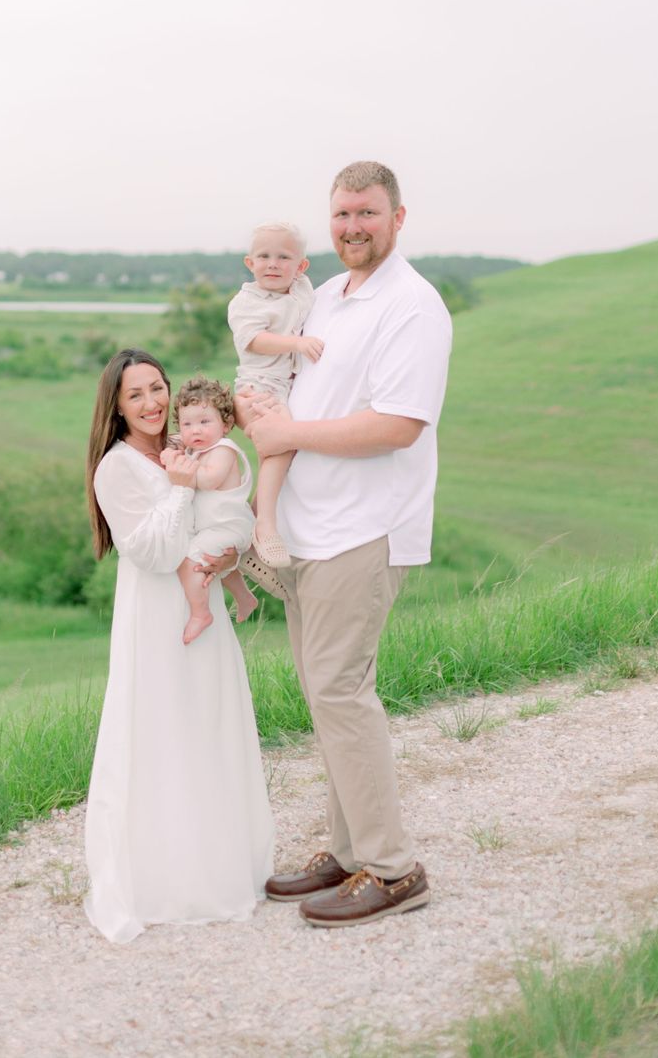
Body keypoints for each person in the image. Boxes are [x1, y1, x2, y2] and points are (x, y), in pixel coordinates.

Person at [245, 161, 452, 928]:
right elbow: (295, 391)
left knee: (340, 691)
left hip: (367, 528)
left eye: (366, 213)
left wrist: (289, 431)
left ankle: (393, 870)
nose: (351, 227)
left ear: (398, 217)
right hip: (308, 526)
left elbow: (398, 425)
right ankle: (349, 848)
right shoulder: (327, 296)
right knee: (323, 694)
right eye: (340, 215)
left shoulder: (414, 308)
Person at [83, 349, 274, 944]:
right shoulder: (116, 469)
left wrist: (227, 551)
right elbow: (157, 553)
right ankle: (168, 878)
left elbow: (223, 517)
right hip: (157, 614)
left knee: (210, 725)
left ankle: (223, 866)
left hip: (202, 602)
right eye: (136, 394)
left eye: (157, 387)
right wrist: (180, 490)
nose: (152, 403)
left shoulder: (189, 448)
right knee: (165, 731)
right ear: (115, 406)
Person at [227, 221, 321, 567]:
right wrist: (297, 343)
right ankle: (265, 527)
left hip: (285, 390)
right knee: (280, 448)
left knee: (282, 456)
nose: (273, 264)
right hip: (257, 388)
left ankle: (251, 537)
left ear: (301, 267)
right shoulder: (246, 302)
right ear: (250, 263)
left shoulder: (301, 291)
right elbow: (254, 340)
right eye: (264, 256)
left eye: (284, 257)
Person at [161, 375, 258, 644]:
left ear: (226, 424)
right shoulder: (196, 447)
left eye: (205, 422)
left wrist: (174, 463)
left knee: (189, 561)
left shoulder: (223, 449)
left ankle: (200, 613)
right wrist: (179, 446)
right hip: (216, 526)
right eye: (187, 424)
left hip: (229, 526)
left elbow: (207, 480)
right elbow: (175, 440)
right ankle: (244, 598)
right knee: (221, 567)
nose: (196, 431)